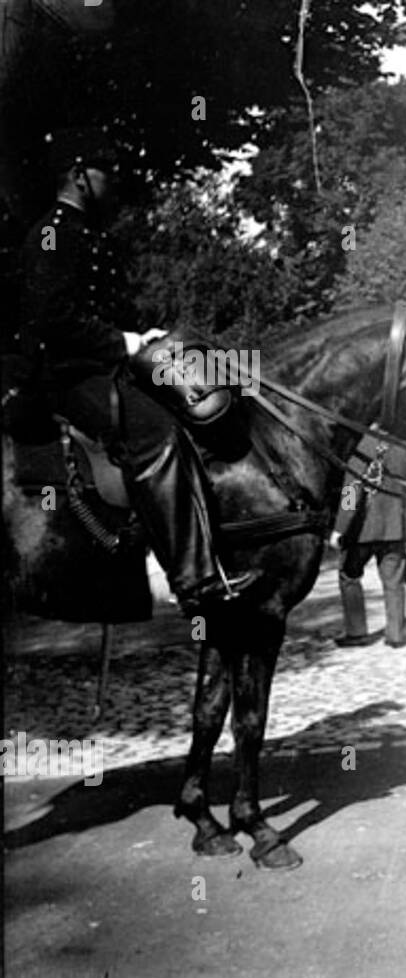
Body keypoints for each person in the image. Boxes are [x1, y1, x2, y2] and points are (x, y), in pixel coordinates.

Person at [17, 128, 255, 615]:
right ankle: (195, 580)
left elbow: (103, 311)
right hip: (66, 377)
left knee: (196, 394)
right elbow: (52, 318)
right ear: (81, 176)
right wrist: (123, 342)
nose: (115, 183)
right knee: (157, 433)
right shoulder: (51, 232)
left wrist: (140, 334)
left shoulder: (85, 233)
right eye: (107, 172)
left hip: (100, 365)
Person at [334, 428, 406, 648]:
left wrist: (340, 528)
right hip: (395, 527)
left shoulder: (361, 445)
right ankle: (395, 634)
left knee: (349, 576)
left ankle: (357, 632)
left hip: (362, 530)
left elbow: (351, 490)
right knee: (393, 580)